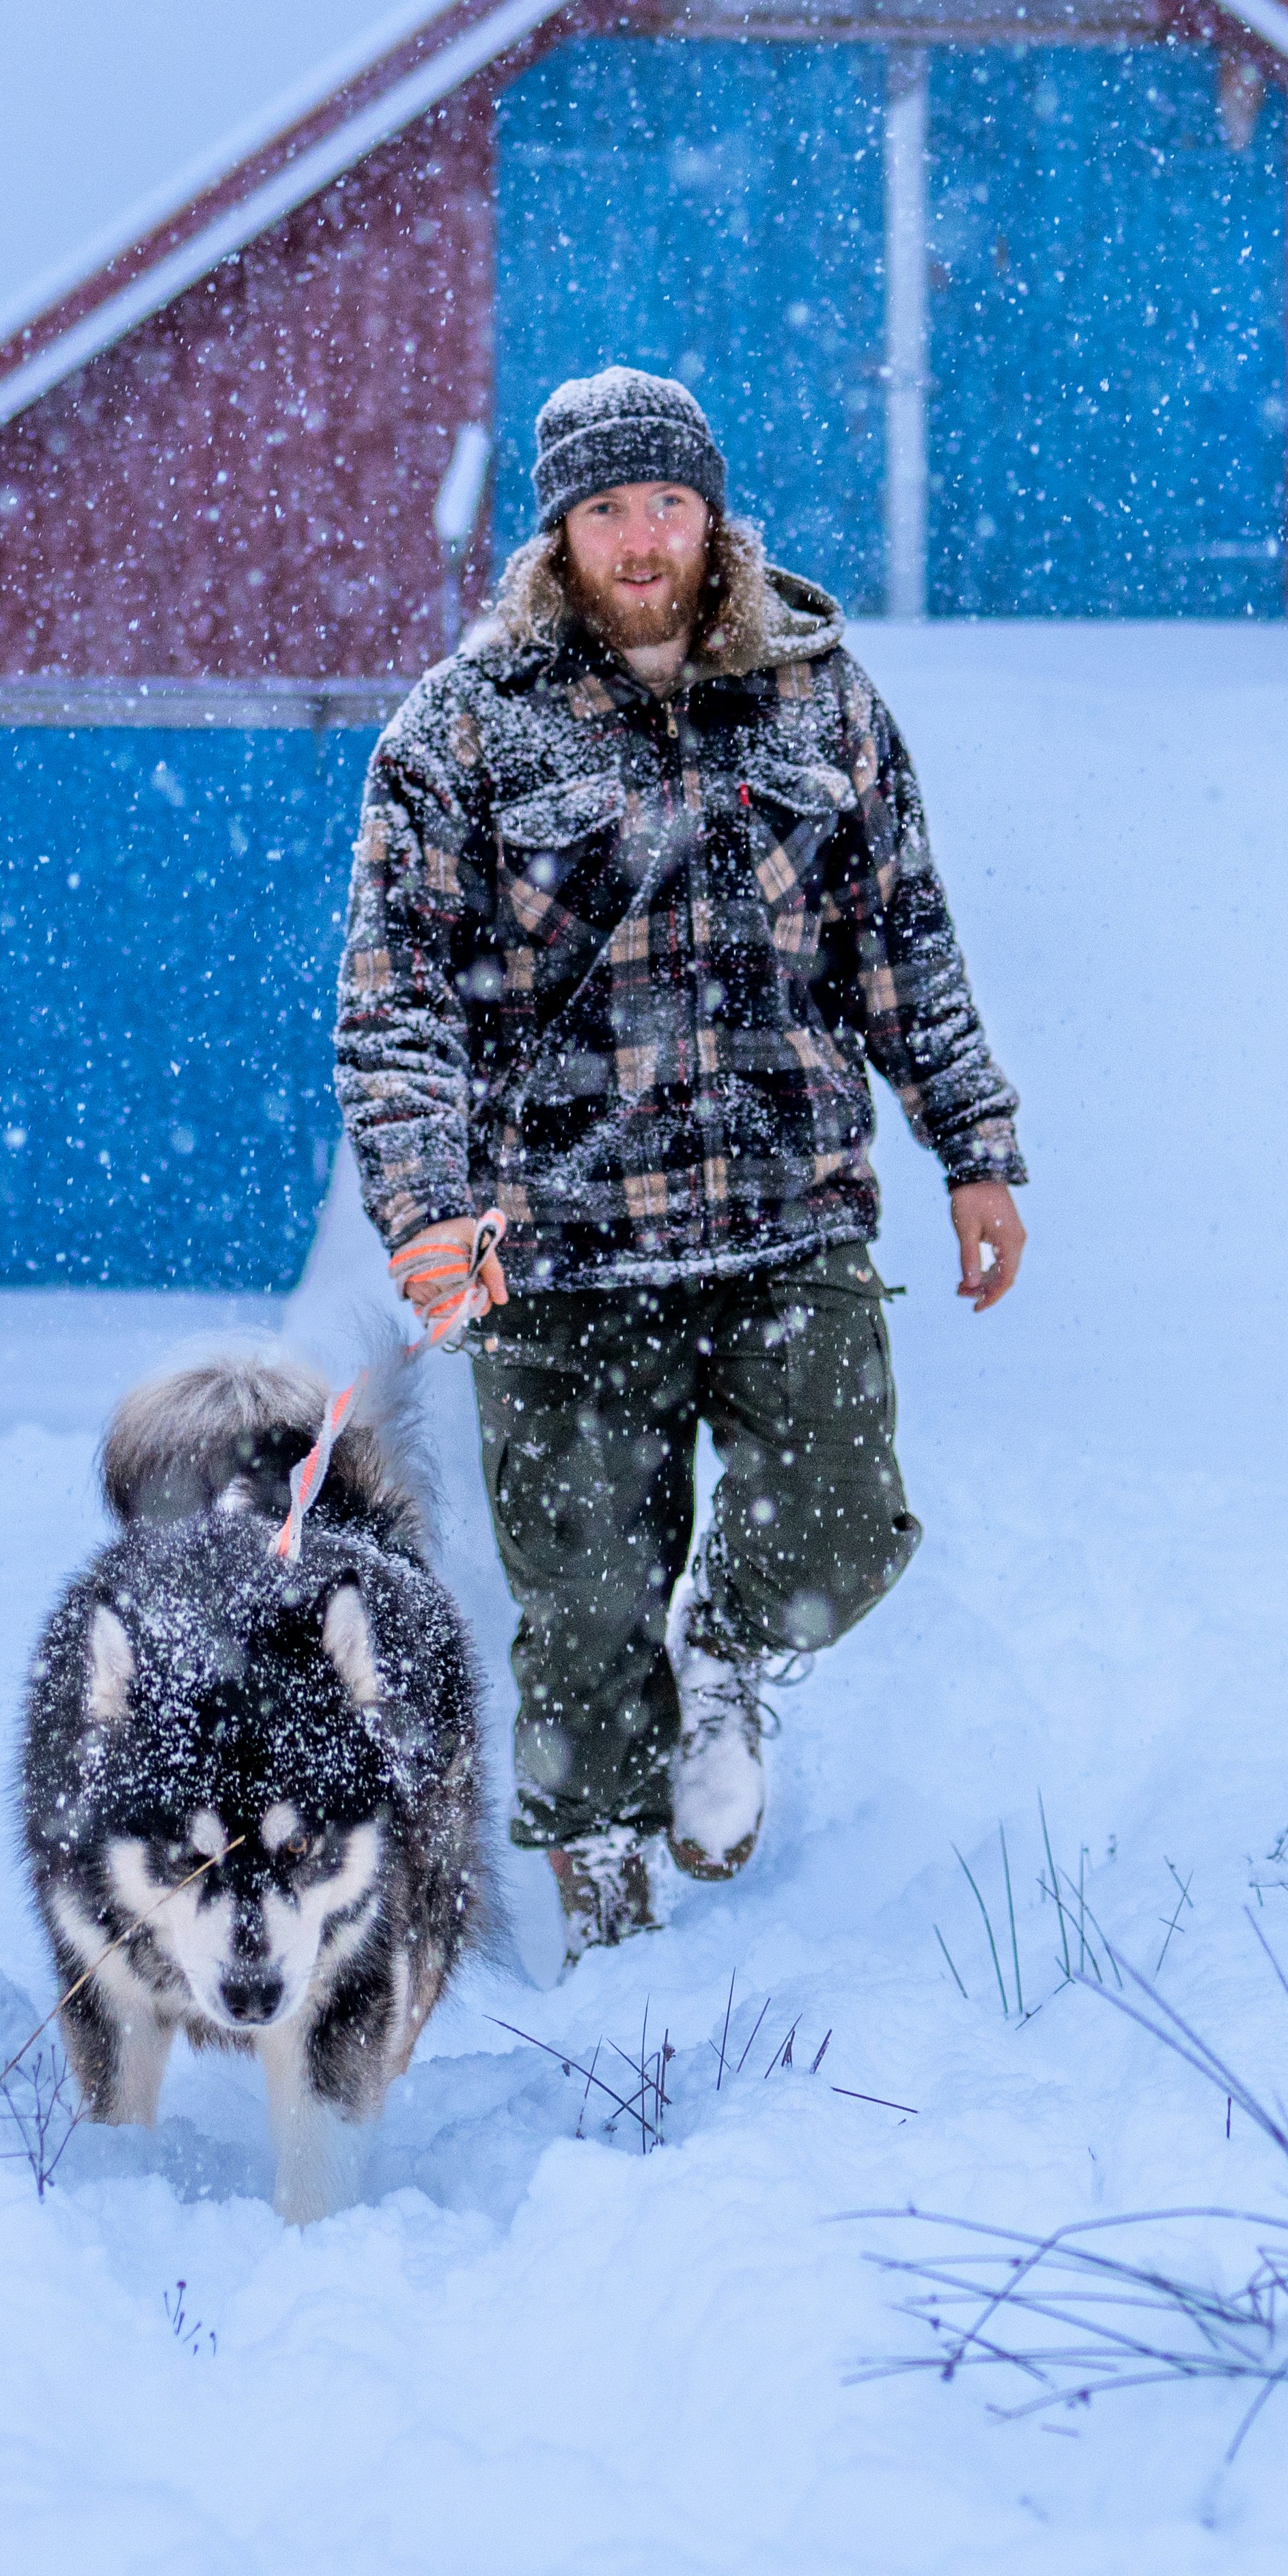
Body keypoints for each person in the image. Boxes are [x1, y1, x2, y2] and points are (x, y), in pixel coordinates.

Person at [334, 366, 1026, 1954]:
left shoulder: (824, 696)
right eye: (604, 509)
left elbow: (905, 939)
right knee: (581, 1607)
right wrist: (425, 1207)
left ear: (715, 512)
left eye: (666, 502)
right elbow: (396, 1003)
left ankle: (729, 1663)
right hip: (562, 1248)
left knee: (843, 1520)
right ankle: (608, 1915)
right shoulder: (462, 727)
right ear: (559, 533)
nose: (640, 539)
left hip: (790, 1216)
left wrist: (976, 1148)